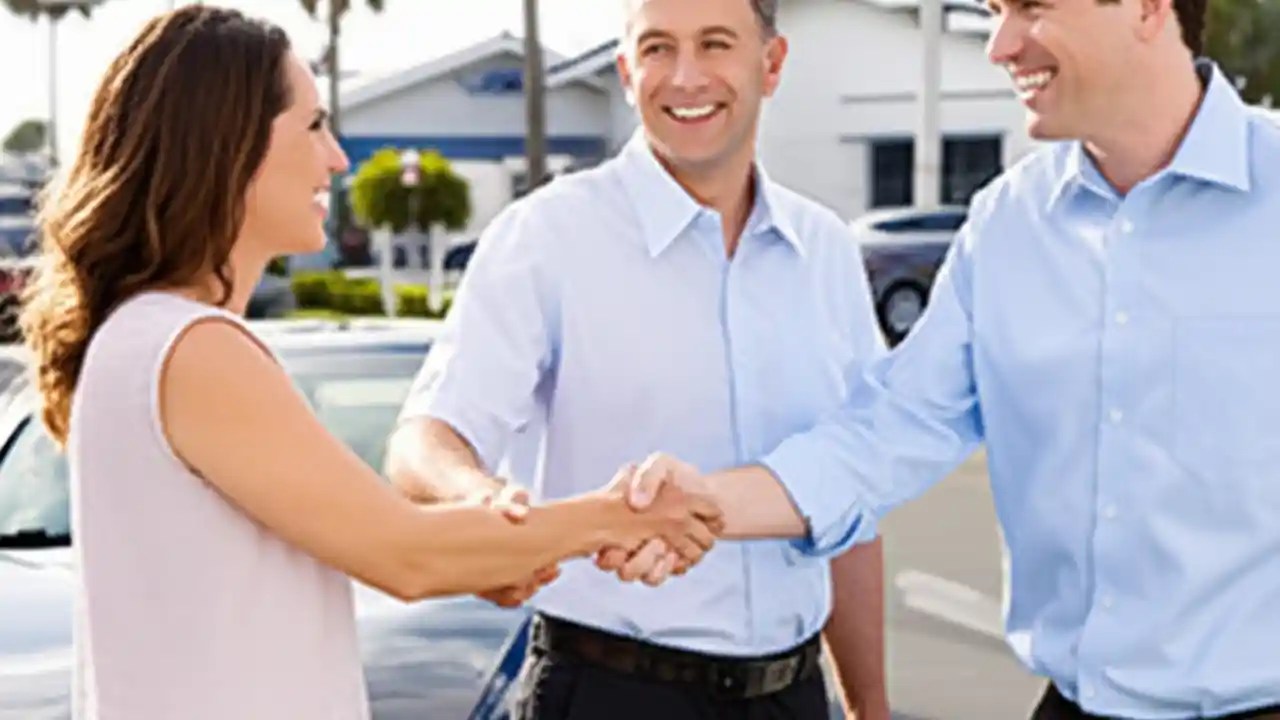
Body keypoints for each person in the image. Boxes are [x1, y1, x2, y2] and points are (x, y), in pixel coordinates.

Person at [17, 7, 722, 720]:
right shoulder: (191, 348)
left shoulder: (146, 339)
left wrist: (488, 550)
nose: (337, 159)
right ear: (227, 144)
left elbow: (378, 543)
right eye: (313, 126)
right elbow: (405, 554)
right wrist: (621, 516)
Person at [605, 0, 1280, 718]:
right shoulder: (1009, 223)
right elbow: (889, 431)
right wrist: (704, 503)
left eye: (1031, 8)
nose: (1000, 45)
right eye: (995, 11)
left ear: (1146, 8)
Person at [384, 0, 892, 717]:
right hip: (608, 692)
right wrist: (482, 501)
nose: (685, 78)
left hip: (793, 696)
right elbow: (424, 441)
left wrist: (870, 707)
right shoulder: (546, 236)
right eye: (657, 49)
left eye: (715, 44)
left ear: (771, 64)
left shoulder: (826, 251)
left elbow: (851, 503)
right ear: (626, 72)